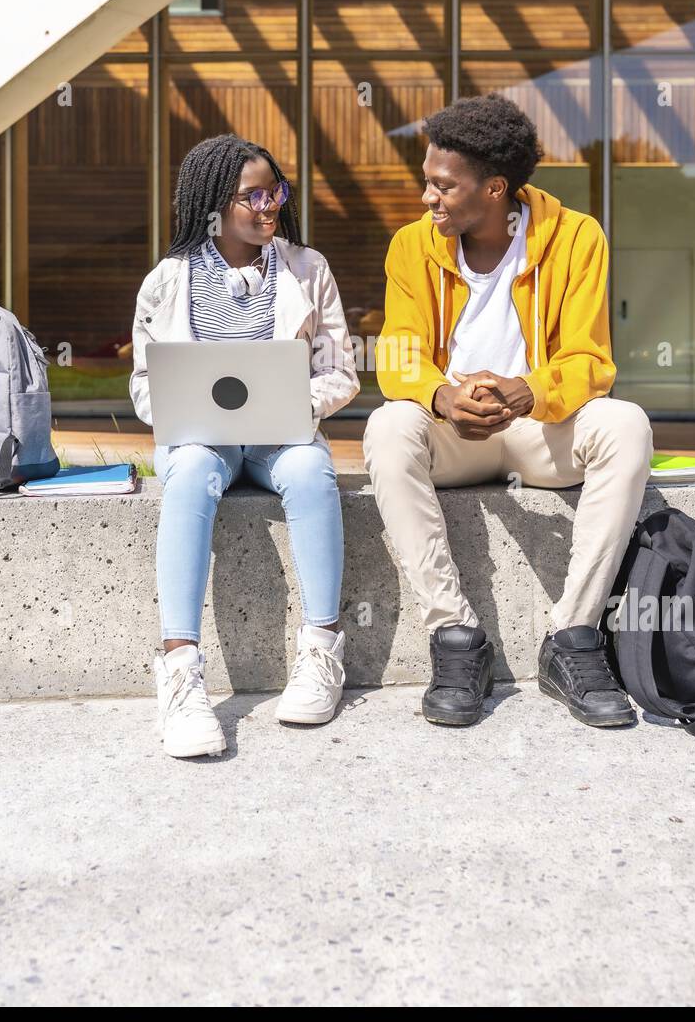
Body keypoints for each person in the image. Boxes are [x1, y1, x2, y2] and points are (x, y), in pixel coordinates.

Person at [363, 94, 653, 729]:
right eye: (426, 183)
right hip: (453, 433)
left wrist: (527, 390)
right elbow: (398, 355)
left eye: (443, 186)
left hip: (538, 431)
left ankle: (572, 638)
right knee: (387, 425)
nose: (427, 199)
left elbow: (589, 360)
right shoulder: (412, 247)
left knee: (627, 424)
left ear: (494, 188)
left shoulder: (576, 237)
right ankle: (455, 637)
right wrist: (441, 396)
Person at [130, 133, 359, 758]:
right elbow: (145, 387)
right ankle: (179, 671)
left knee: (314, 471)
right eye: (252, 196)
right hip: (203, 441)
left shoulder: (307, 269)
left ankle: (321, 647)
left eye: (275, 191)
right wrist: (188, 415)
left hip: (281, 436)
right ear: (212, 204)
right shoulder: (168, 280)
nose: (269, 206)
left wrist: (294, 405)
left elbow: (340, 371)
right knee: (187, 477)